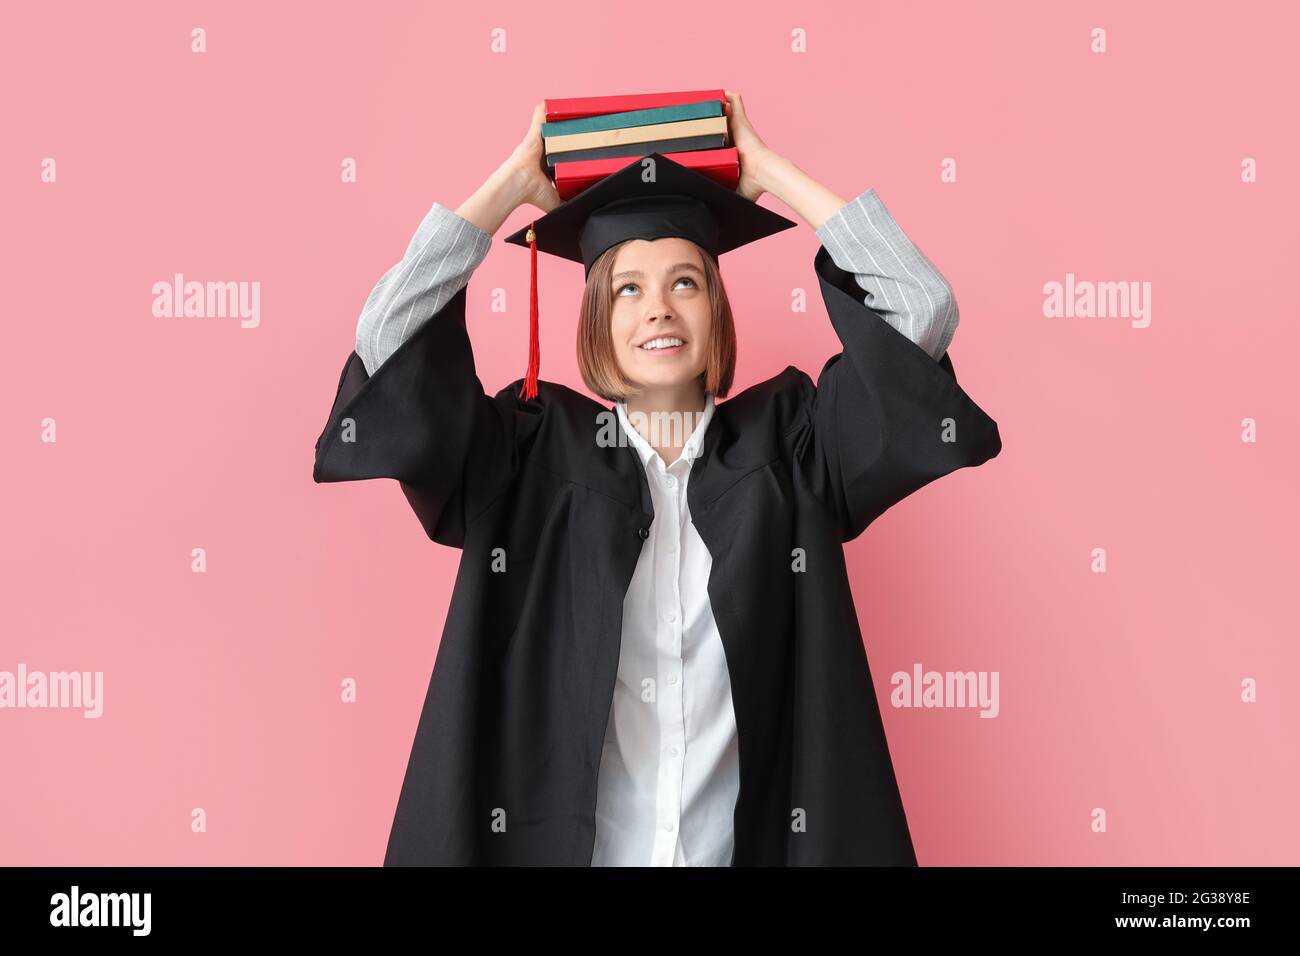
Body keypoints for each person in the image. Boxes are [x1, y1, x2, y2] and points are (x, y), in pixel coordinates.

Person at [314, 91, 1003, 866]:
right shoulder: (528, 456)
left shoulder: (795, 446)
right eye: (628, 288)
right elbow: (387, 339)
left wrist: (773, 172)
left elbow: (922, 310)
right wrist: (509, 187)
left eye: (686, 282)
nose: (658, 311)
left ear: (716, 307)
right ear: (596, 317)